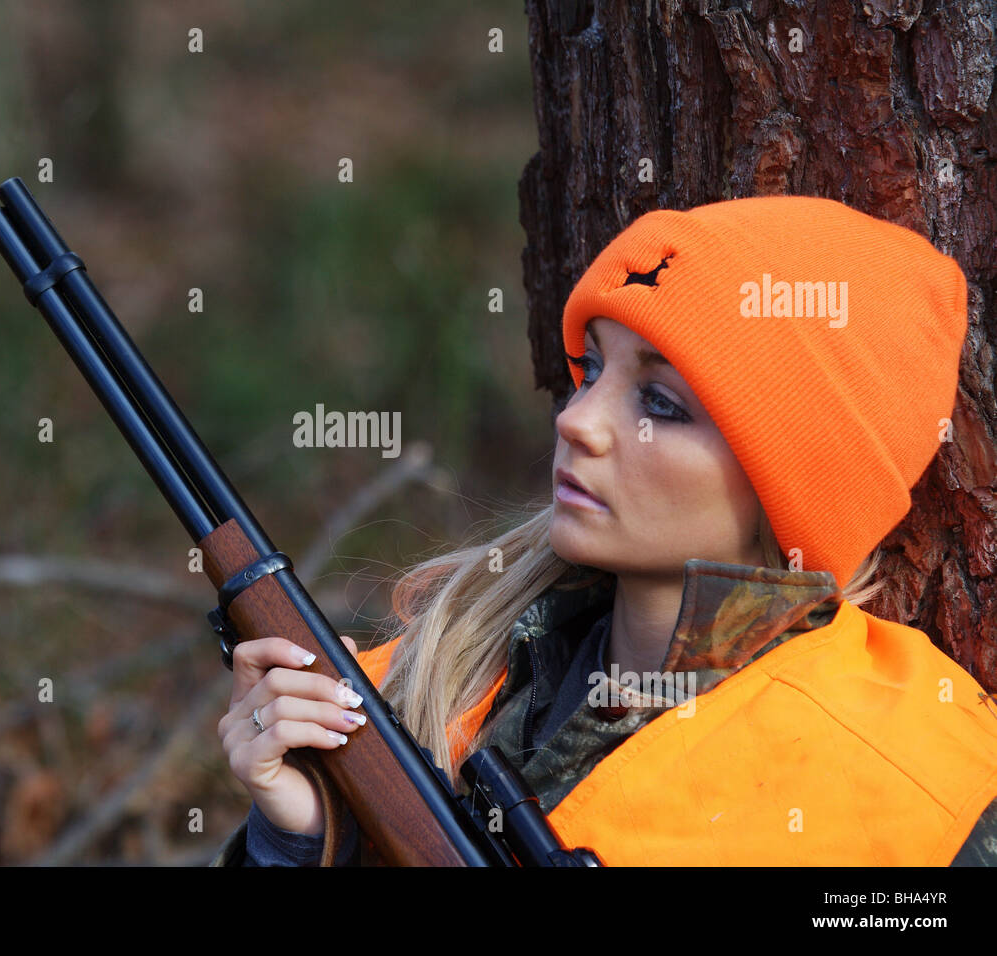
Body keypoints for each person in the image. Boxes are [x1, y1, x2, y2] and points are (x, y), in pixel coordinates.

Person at [211, 195, 997, 866]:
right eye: (591, 372)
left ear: (791, 483)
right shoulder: (422, 686)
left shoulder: (916, 788)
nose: (576, 419)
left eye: (661, 403)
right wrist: (300, 840)